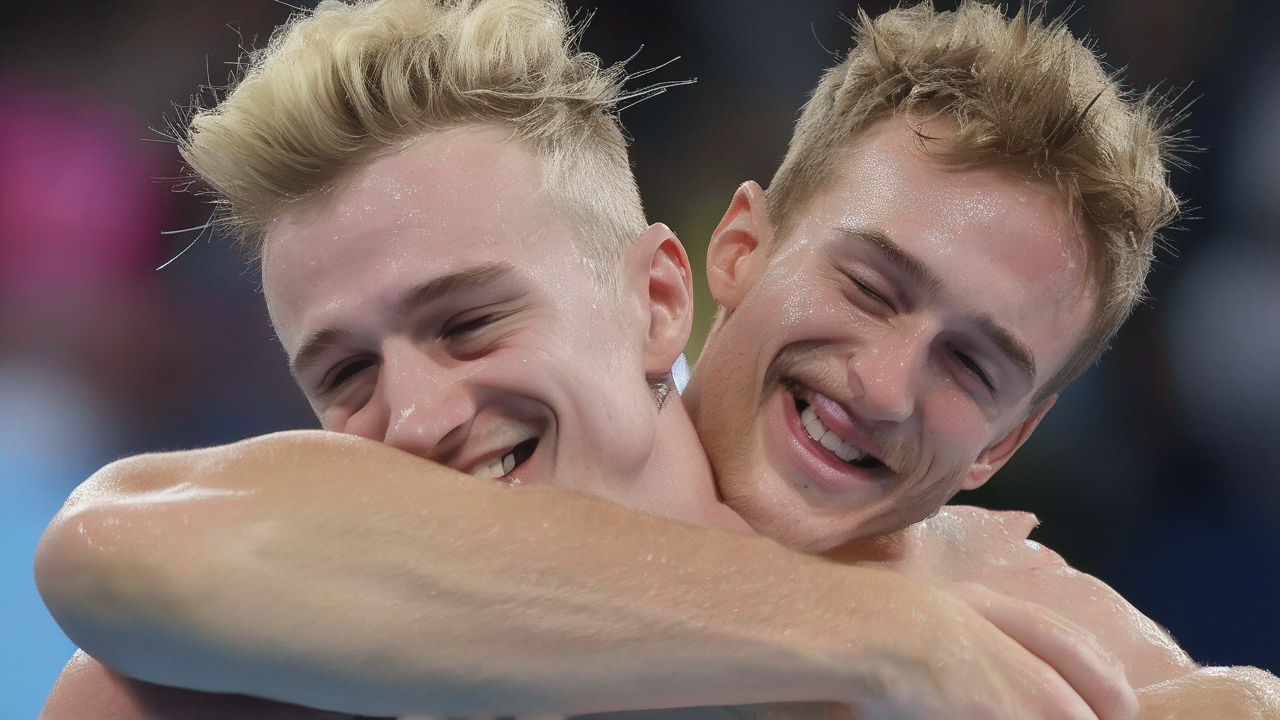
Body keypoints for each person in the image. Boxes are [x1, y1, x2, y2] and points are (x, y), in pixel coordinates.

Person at [34, 0, 1279, 718]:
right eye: (342, 373)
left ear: (655, 296)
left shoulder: (1025, 642)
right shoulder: (229, 672)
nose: (412, 417)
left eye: (471, 324)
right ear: (734, 253)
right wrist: (883, 632)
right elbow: (115, 552)